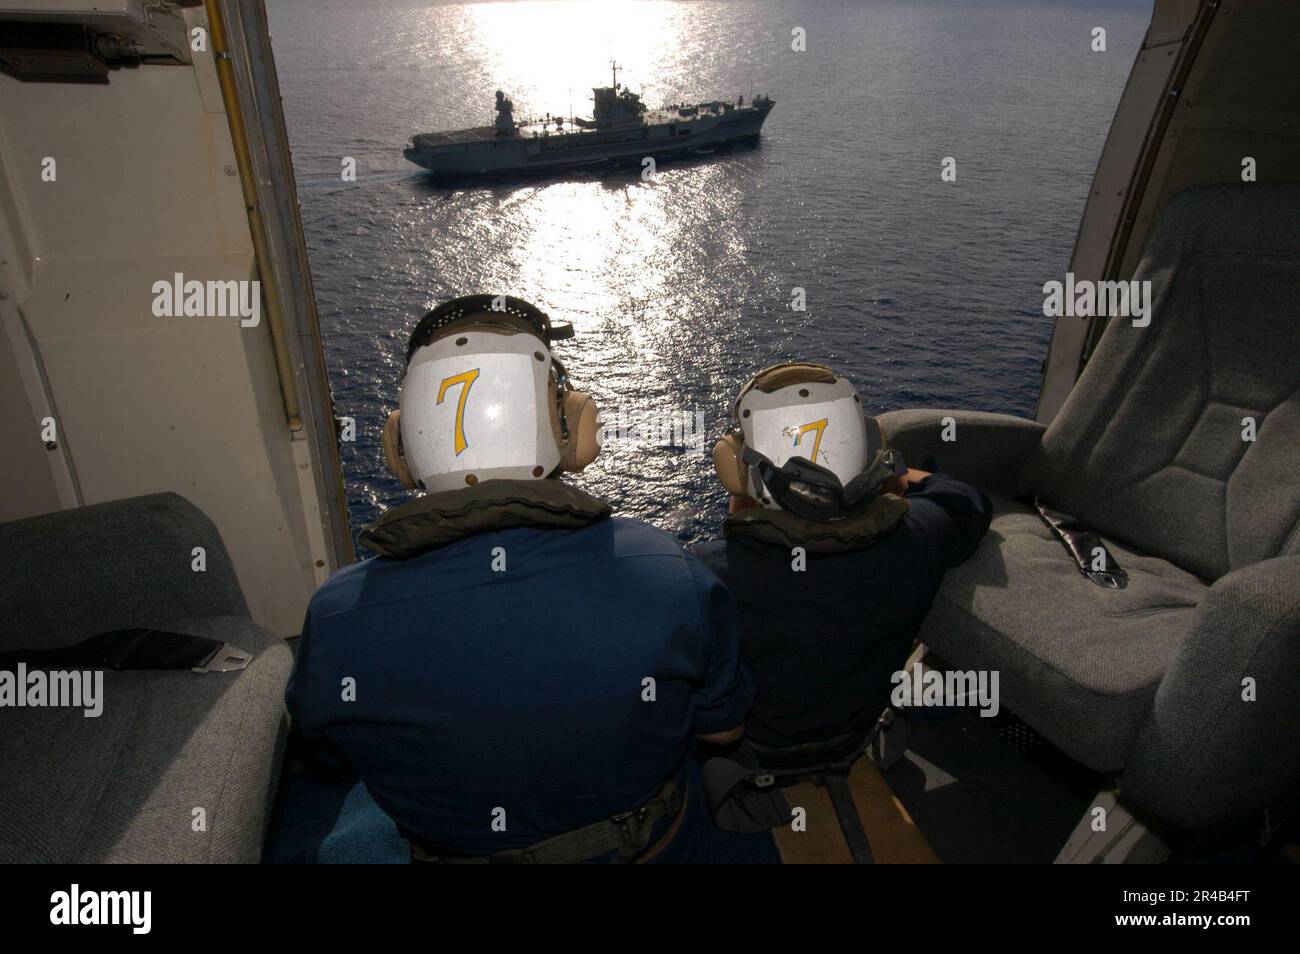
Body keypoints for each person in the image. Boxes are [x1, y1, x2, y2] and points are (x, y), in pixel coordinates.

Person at [287, 294, 751, 863]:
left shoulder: (335, 616)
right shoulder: (667, 570)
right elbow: (722, 733)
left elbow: (328, 756)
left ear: (402, 448)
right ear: (570, 429)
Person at [692, 362, 991, 771]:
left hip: (753, 755)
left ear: (736, 468)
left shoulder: (705, 578)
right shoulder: (919, 536)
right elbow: (964, 500)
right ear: (870, 446)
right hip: (855, 736)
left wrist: (750, 491)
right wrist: (886, 478)